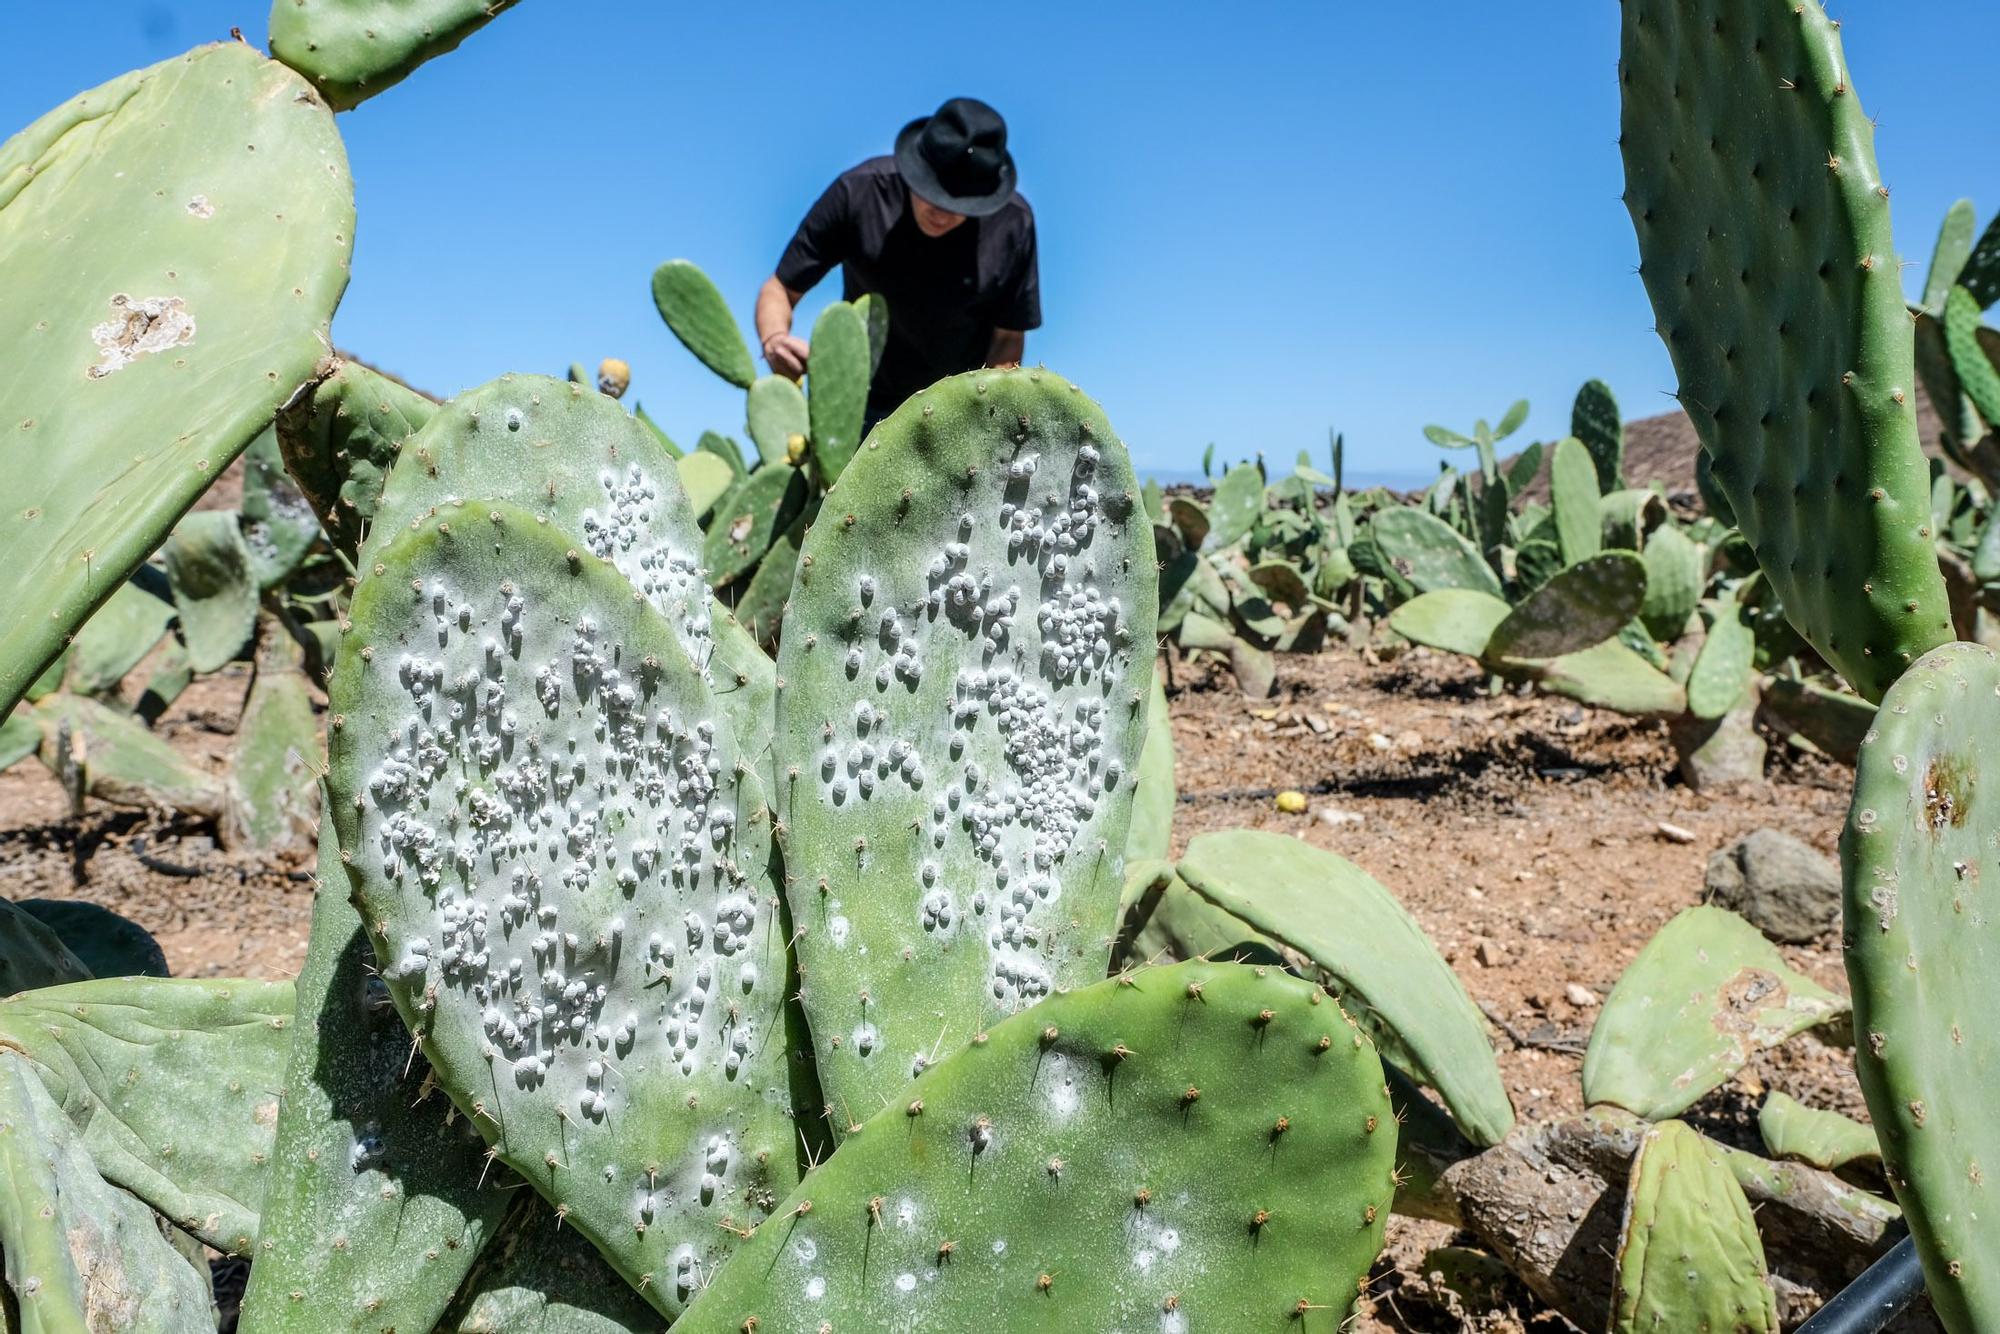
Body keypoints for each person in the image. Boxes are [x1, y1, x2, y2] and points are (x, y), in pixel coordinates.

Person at [755, 97, 1041, 429]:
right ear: (913, 168)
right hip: (860, 403)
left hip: (954, 413)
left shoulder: (1014, 225)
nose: (940, 210)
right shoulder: (859, 193)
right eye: (930, 192)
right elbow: (779, 289)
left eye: (959, 203)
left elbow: (1008, 337)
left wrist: (984, 420)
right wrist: (774, 338)